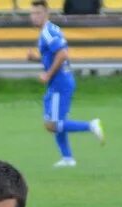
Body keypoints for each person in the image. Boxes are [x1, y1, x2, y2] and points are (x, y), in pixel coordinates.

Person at [27, 0, 104, 167]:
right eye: (32, 13)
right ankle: (67, 158)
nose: (34, 17)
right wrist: (36, 59)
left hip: (59, 83)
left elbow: (62, 55)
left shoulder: (48, 32)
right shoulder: (50, 30)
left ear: (47, 14)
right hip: (61, 81)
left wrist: (47, 74)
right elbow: (53, 56)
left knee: (52, 125)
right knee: (57, 122)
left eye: (38, 13)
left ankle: (90, 126)